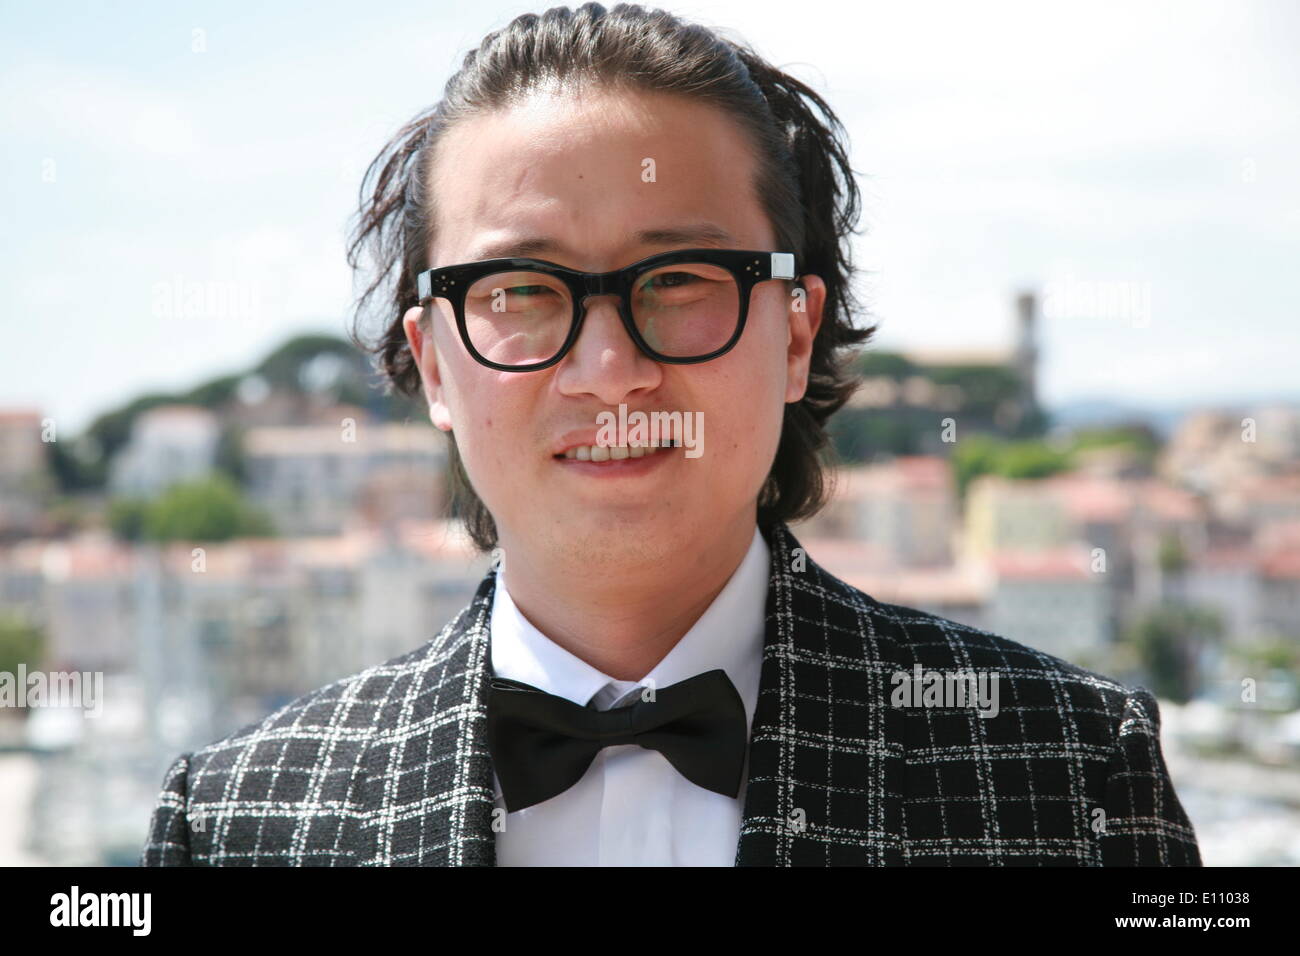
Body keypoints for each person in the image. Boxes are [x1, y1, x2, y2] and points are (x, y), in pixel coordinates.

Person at [140, 2, 1200, 866]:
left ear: (796, 335)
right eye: (521, 289)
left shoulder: (1071, 774)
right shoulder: (232, 824)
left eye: (681, 279)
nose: (610, 372)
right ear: (431, 364)